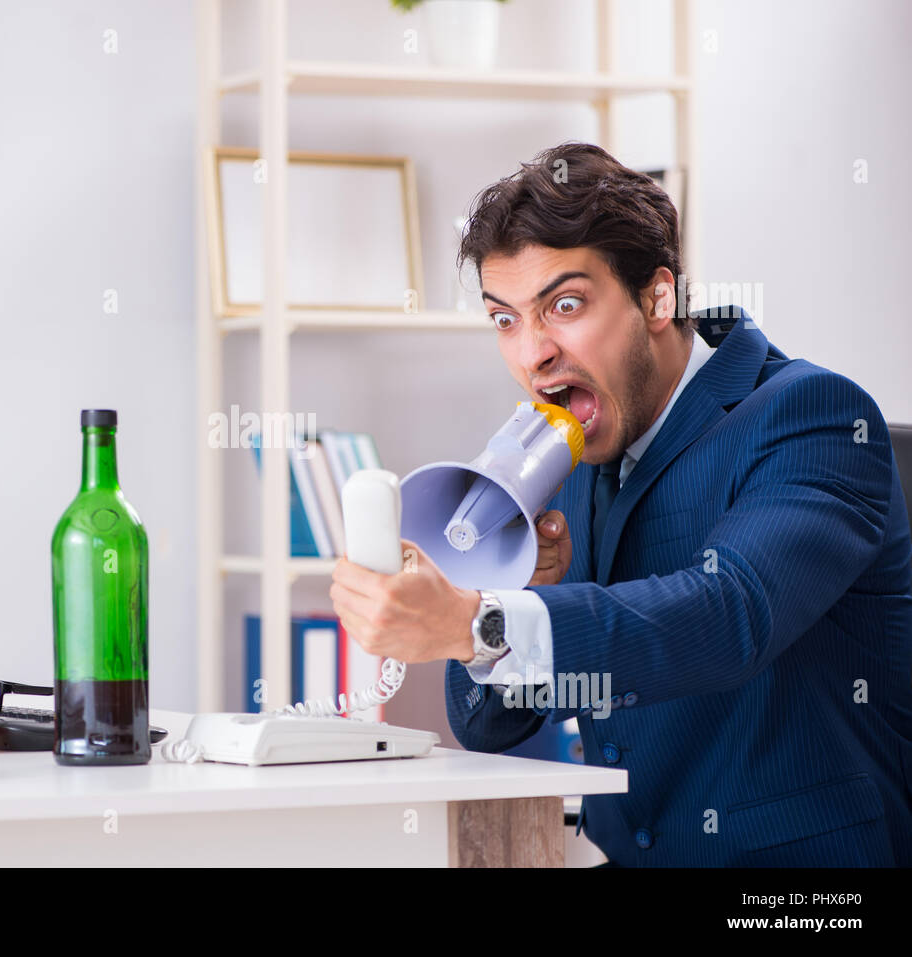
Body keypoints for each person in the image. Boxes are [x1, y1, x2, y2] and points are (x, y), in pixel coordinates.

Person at [329, 142, 912, 866]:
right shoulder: (572, 455)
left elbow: (730, 613)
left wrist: (478, 618)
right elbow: (489, 728)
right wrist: (509, 585)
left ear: (658, 296)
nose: (532, 353)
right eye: (505, 318)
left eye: (564, 305)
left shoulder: (813, 416)